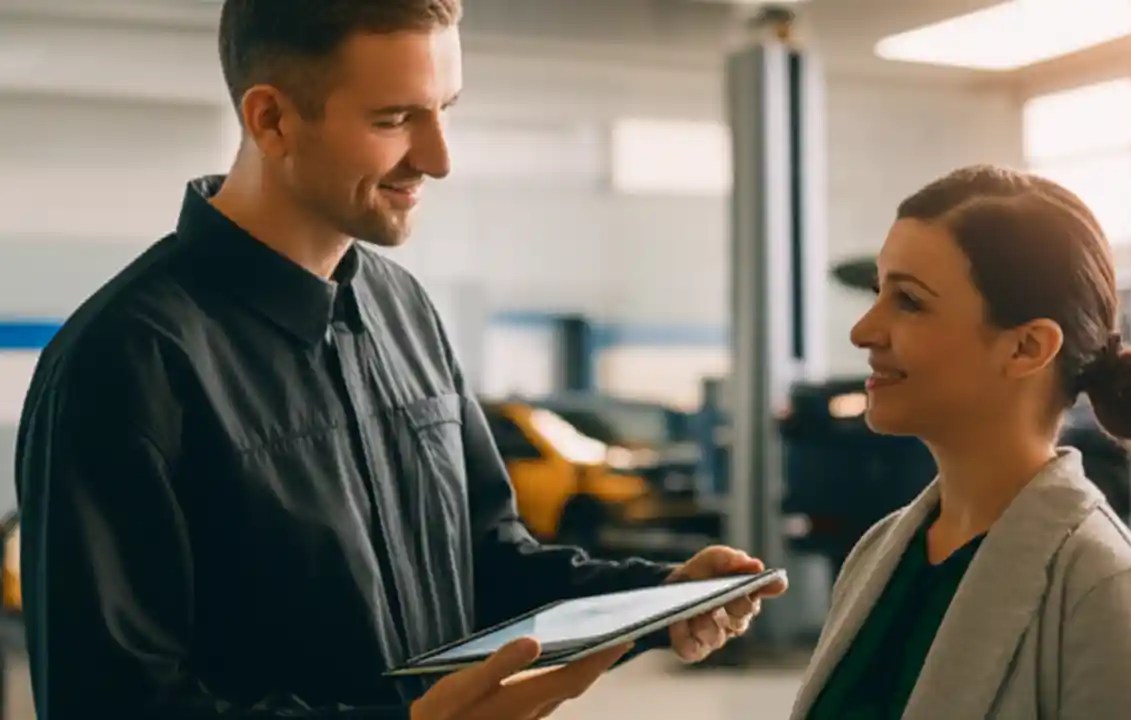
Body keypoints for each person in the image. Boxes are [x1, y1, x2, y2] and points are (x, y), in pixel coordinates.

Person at [14, 1, 785, 718]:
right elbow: (111, 702)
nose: (439, 159)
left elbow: (486, 565)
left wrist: (656, 600)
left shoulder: (404, 311)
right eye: (394, 119)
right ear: (272, 118)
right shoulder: (124, 364)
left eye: (445, 110)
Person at [789, 165, 1131, 720]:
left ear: (1027, 347)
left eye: (908, 301)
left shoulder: (1105, 587)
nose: (863, 331)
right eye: (880, 292)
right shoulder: (879, 553)